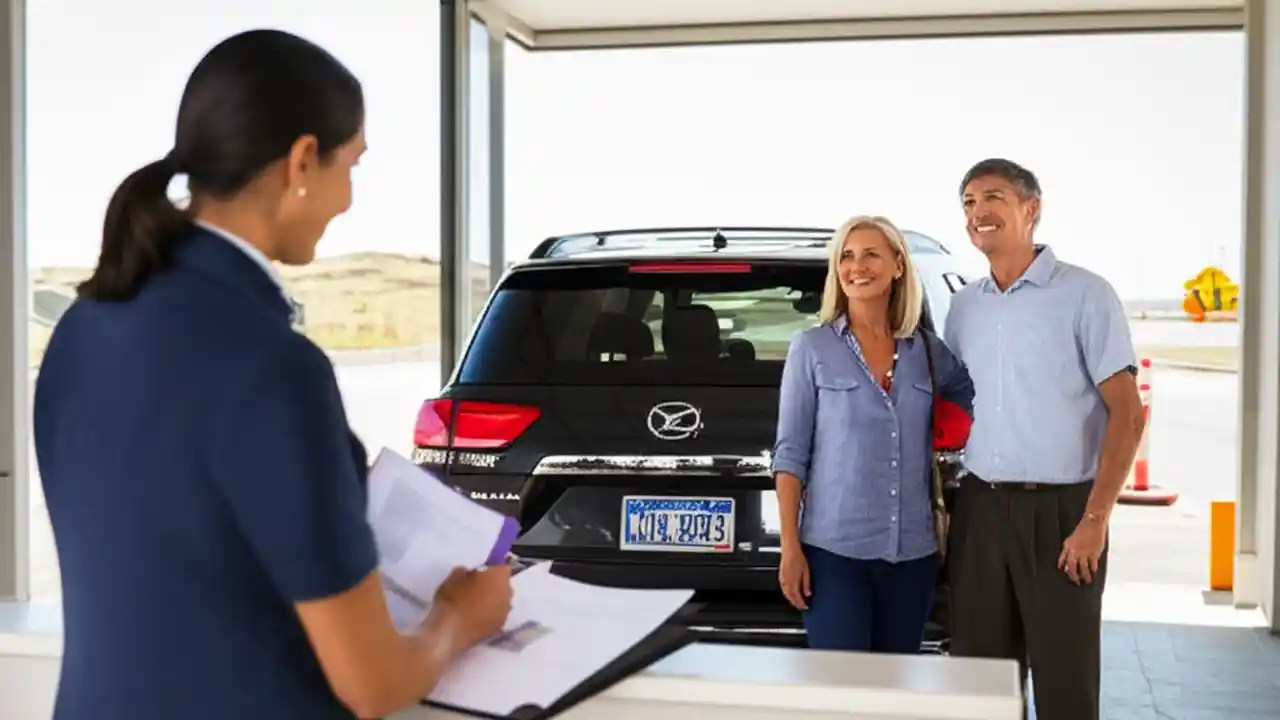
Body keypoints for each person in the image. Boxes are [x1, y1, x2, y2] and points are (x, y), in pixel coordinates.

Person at [33, 30, 513, 720]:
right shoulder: (274, 369)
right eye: (352, 167)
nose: (348, 199)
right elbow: (371, 685)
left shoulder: (82, 328)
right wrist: (459, 618)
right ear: (302, 161)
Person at [942, 158, 1146, 720]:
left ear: (1031, 209)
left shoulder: (1085, 295)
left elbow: (1127, 414)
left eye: (994, 197)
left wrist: (1094, 519)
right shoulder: (964, 307)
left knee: (1066, 688)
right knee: (981, 689)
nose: (979, 211)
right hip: (980, 509)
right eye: (968, 202)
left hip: (1063, 516)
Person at [771, 215, 974, 654]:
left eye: (870, 255)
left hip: (913, 558)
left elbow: (983, 404)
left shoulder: (927, 352)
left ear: (898, 265)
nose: (856, 266)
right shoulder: (812, 349)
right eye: (846, 256)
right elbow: (790, 454)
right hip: (833, 555)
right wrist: (790, 548)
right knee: (842, 692)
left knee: (893, 692)